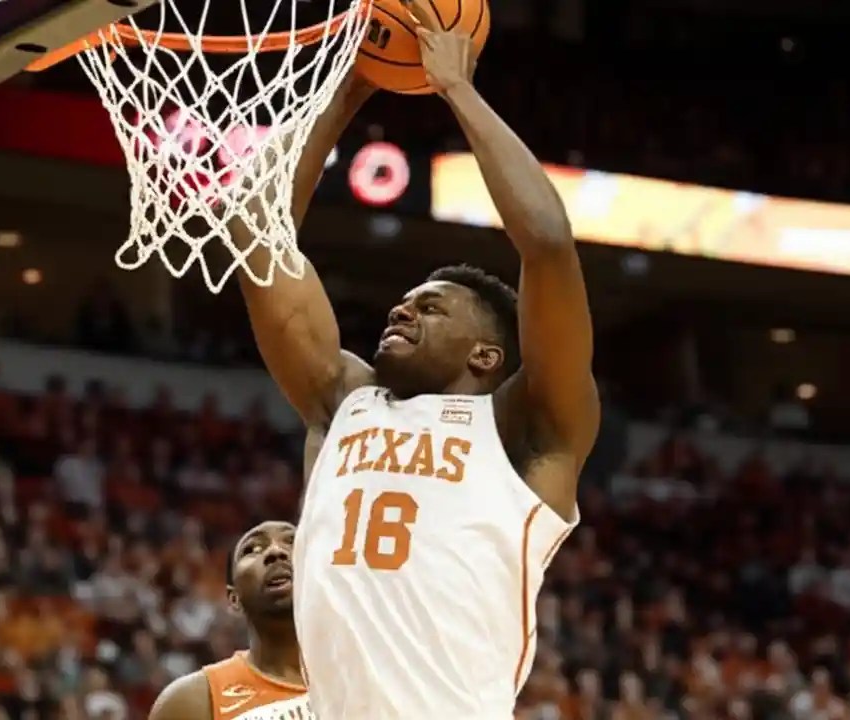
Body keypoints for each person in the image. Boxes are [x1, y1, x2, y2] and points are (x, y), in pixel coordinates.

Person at [228, 1, 600, 716]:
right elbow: (257, 232)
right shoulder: (343, 399)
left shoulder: (525, 428)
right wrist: (351, 84)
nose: (401, 310)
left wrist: (457, 88)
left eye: (431, 308)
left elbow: (549, 242)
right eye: (404, 302)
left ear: (488, 354)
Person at [148, 521, 309, 720]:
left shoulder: (357, 672)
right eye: (253, 549)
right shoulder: (190, 702)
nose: (276, 551)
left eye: (292, 542)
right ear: (234, 599)